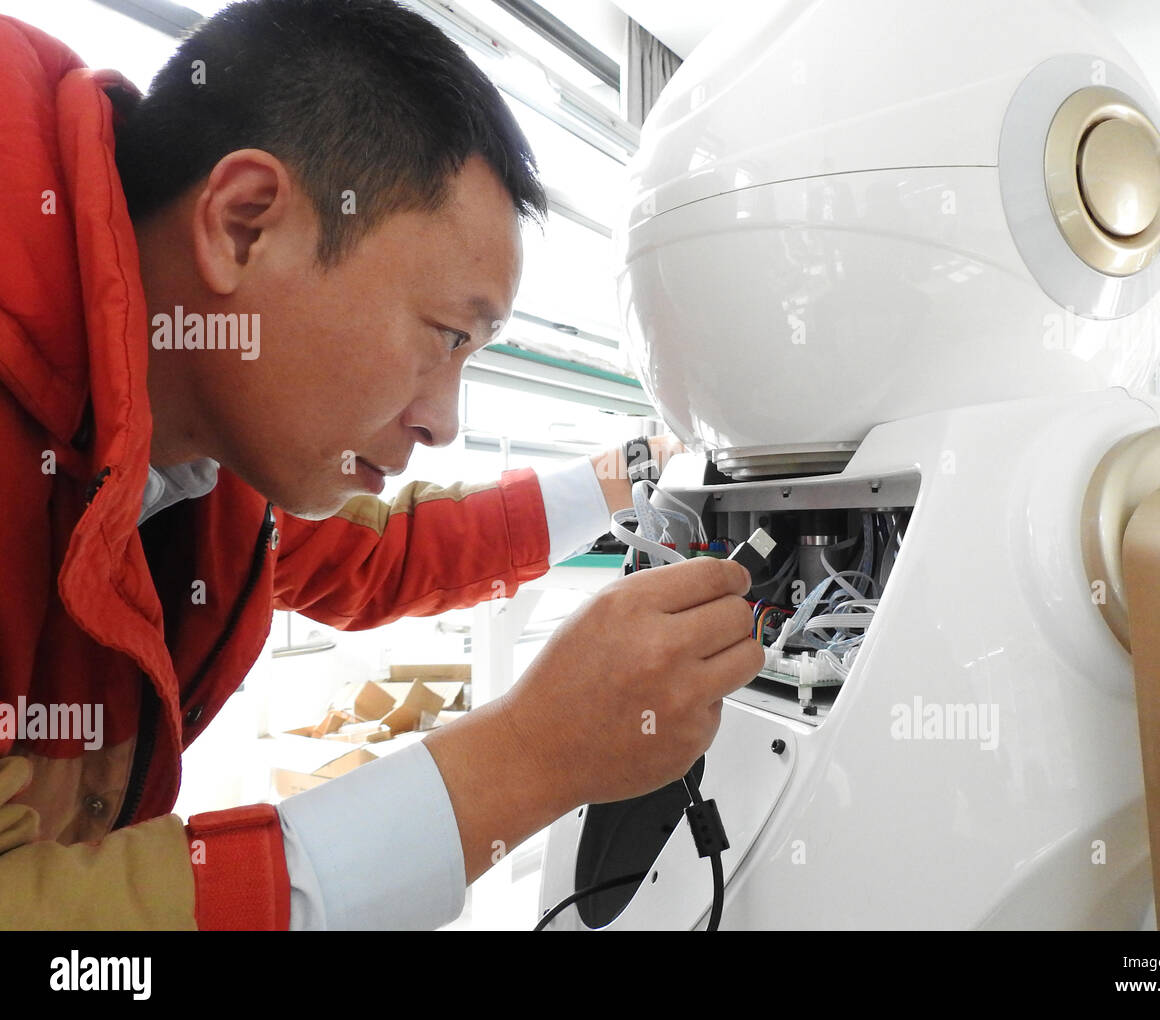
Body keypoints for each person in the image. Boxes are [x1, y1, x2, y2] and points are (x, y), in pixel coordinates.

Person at [0, 0, 764, 929]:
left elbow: (389, 551)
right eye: (445, 335)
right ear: (243, 225)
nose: (444, 423)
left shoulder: (207, 461)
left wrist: (626, 473)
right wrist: (524, 761)